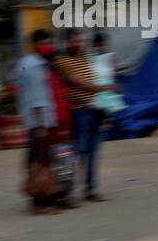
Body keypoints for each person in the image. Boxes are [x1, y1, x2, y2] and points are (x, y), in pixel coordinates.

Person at [55, 30, 112, 202]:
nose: (78, 44)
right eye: (74, 41)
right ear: (66, 42)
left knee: (93, 151)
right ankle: (67, 191)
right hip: (79, 112)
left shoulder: (86, 58)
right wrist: (103, 89)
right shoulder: (62, 61)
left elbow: (100, 75)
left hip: (95, 109)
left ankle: (90, 189)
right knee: (76, 151)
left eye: (80, 41)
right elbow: (76, 82)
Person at [9, 29, 60, 214]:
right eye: (44, 43)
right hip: (39, 122)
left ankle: (36, 201)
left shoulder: (24, 63)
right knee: (41, 163)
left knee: (34, 161)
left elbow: (13, 81)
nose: (48, 47)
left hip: (31, 120)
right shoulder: (35, 66)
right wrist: (40, 126)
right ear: (36, 45)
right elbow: (37, 98)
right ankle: (40, 204)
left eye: (49, 42)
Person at [89, 31, 126, 117]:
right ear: (93, 46)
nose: (100, 47)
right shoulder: (91, 59)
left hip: (109, 90)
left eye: (102, 45)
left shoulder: (111, 56)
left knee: (110, 116)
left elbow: (115, 74)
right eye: (97, 45)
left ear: (106, 44)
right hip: (96, 90)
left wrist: (115, 85)